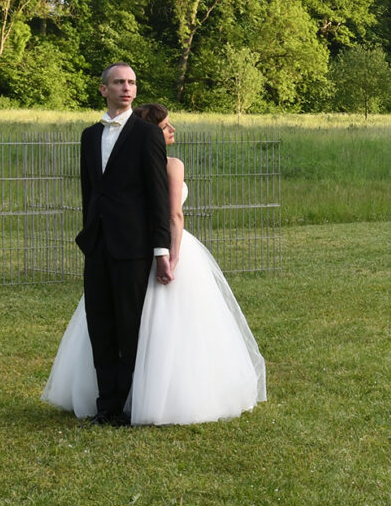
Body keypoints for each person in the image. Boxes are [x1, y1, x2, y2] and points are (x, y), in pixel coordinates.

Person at [44, 104, 266, 425]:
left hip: (133, 247)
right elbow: (174, 215)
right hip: (165, 246)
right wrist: (172, 256)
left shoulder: (128, 165)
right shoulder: (172, 165)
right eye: (165, 126)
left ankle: (115, 396)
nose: (172, 130)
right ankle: (157, 392)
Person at [67, 63, 172, 426]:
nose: (126, 88)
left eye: (131, 83)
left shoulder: (147, 135)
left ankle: (127, 406)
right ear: (103, 90)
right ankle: (106, 405)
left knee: (130, 327)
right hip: (97, 245)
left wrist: (162, 249)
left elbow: (159, 196)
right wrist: (88, 235)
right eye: (118, 82)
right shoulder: (88, 136)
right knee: (101, 325)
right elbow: (89, 192)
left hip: (135, 247)